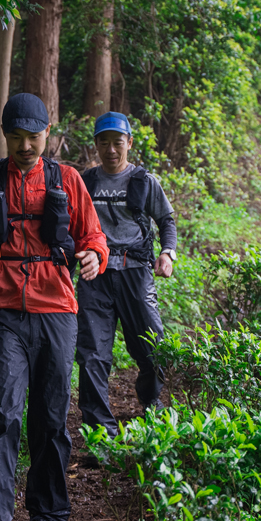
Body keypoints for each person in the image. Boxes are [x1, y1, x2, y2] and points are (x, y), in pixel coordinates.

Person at [0, 93, 110, 521]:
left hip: (58, 311)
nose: (25, 146)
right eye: (16, 137)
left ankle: (46, 516)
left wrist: (94, 256)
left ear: (48, 133)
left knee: (50, 416)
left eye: (34, 137)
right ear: (5, 136)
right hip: (4, 313)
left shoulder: (68, 181)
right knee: (1, 416)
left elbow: (94, 236)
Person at [76, 111, 177, 443]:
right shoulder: (85, 182)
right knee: (92, 353)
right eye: (103, 142)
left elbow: (166, 220)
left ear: (129, 143)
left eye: (117, 143)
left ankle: (151, 401)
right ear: (96, 144)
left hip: (136, 272)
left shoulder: (144, 181)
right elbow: (70, 225)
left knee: (153, 347)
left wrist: (168, 253)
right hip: (95, 275)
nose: (111, 150)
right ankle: (99, 431)